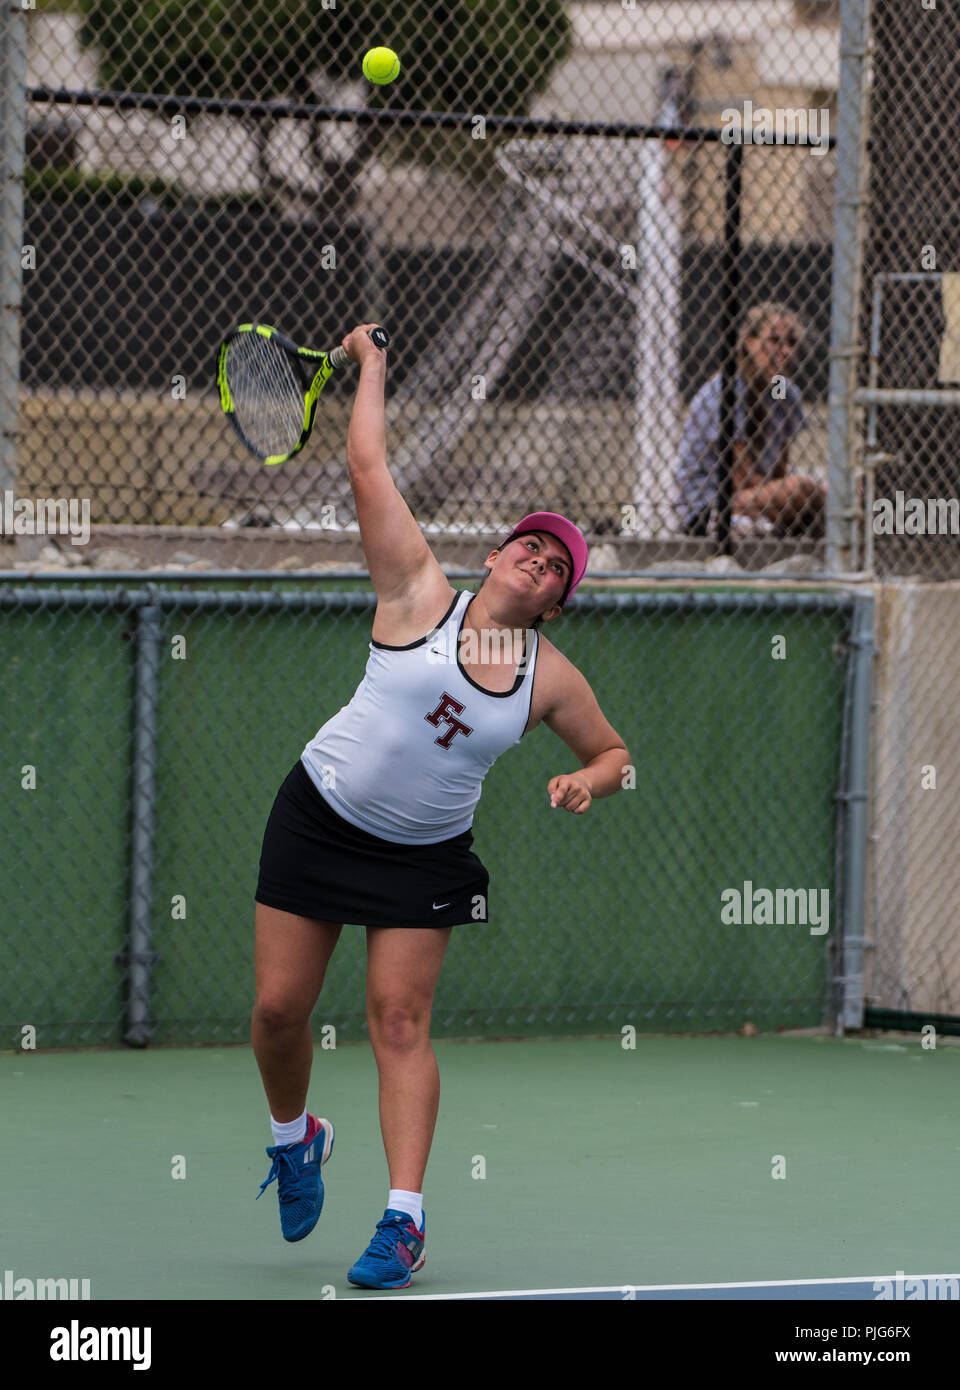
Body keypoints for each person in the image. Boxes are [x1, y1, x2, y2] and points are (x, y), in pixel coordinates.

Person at [250, 322, 631, 1291]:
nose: (539, 562)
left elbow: (615, 750)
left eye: (557, 568)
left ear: (554, 606)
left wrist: (590, 778)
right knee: (277, 1010)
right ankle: (296, 1139)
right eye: (530, 546)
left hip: (422, 859)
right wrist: (373, 363)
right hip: (319, 813)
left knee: (399, 1020)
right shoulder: (419, 587)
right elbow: (367, 458)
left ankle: (404, 1219)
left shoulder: (549, 677)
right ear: (498, 553)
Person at [675, 302, 825, 538]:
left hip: (760, 497)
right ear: (749, 342)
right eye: (775, 341)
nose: (785, 351)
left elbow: (779, 471)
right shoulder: (728, 390)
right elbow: (741, 480)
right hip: (714, 502)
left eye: (792, 343)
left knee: (816, 498)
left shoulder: (784, 392)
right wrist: (803, 493)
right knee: (803, 489)